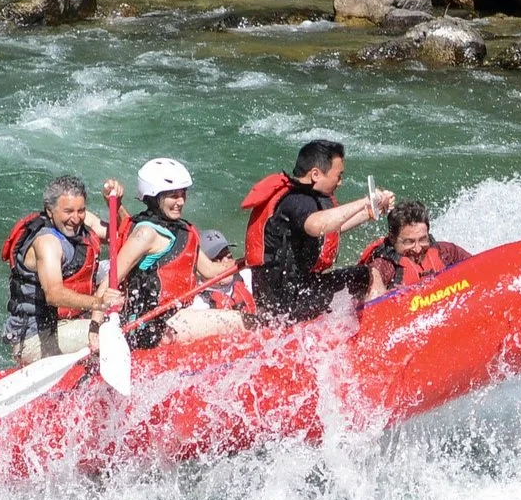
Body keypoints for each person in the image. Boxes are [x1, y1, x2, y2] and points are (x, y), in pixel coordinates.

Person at [245, 138, 392, 322]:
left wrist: (370, 211)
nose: (340, 182)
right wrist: (366, 201)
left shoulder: (294, 198)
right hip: (291, 304)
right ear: (315, 174)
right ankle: (382, 322)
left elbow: (330, 228)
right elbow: (318, 226)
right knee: (366, 275)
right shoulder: (299, 201)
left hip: (277, 302)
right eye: (338, 176)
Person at [113, 157, 249, 347]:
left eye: (182, 194)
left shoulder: (182, 230)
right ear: (154, 196)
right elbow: (110, 281)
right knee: (243, 322)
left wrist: (250, 259)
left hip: (174, 316)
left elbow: (209, 271)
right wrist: (95, 328)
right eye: (173, 195)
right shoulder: (146, 233)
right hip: (149, 326)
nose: (180, 201)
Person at [3, 173, 124, 365]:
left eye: (81, 210)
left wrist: (116, 205)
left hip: (69, 325)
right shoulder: (47, 243)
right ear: (50, 211)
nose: (75, 219)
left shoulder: (82, 222)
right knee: (114, 333)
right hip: (36, 338)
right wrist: (100, 303)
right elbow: (54, 294)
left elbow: (124, 235)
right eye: (68, 212)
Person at [361, 201, 472, 300]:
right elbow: (373, 298)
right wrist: (391, 297)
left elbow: (478, 269)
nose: (418, 249)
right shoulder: (383, 266)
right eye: (409, 242)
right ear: (392, 238)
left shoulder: (447, 252)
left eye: (423, 240)